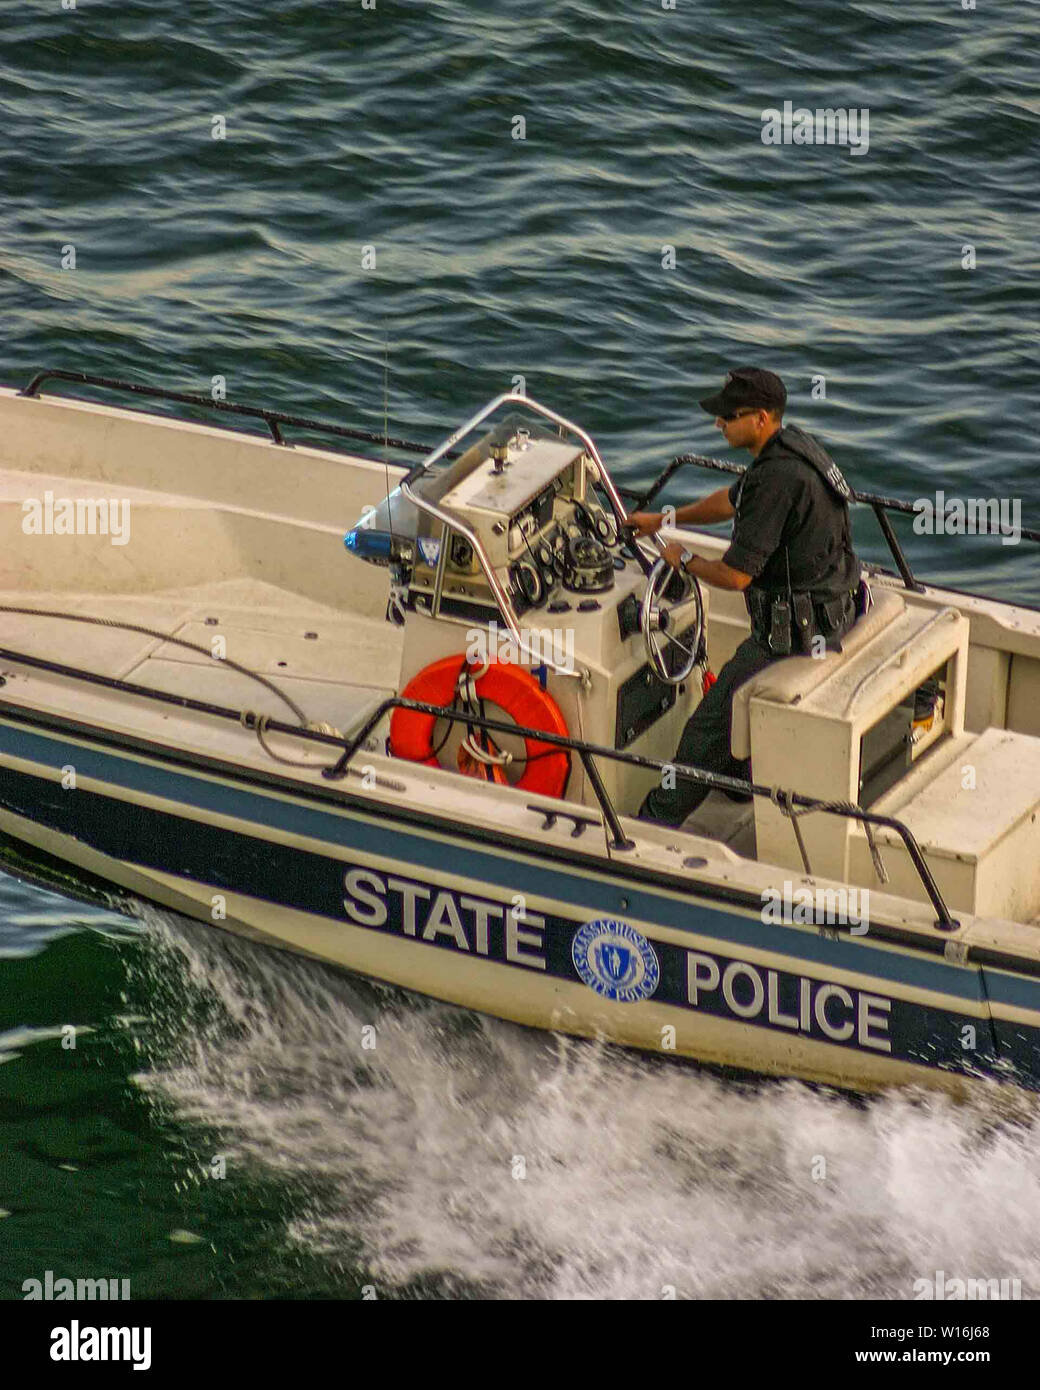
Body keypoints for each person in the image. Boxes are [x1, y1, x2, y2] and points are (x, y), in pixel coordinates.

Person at [630, 366, 862, 826]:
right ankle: (735, 778)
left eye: (728, 416)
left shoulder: (777, 479)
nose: (719, 424)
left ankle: (651, 823)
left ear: (759, 418)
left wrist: (684, 561)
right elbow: (730, 501)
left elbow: (736, 577)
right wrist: (664, 519)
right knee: (727, 704)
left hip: (794, 635)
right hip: (838, 608)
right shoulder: (791, 449)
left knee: (704, 730)